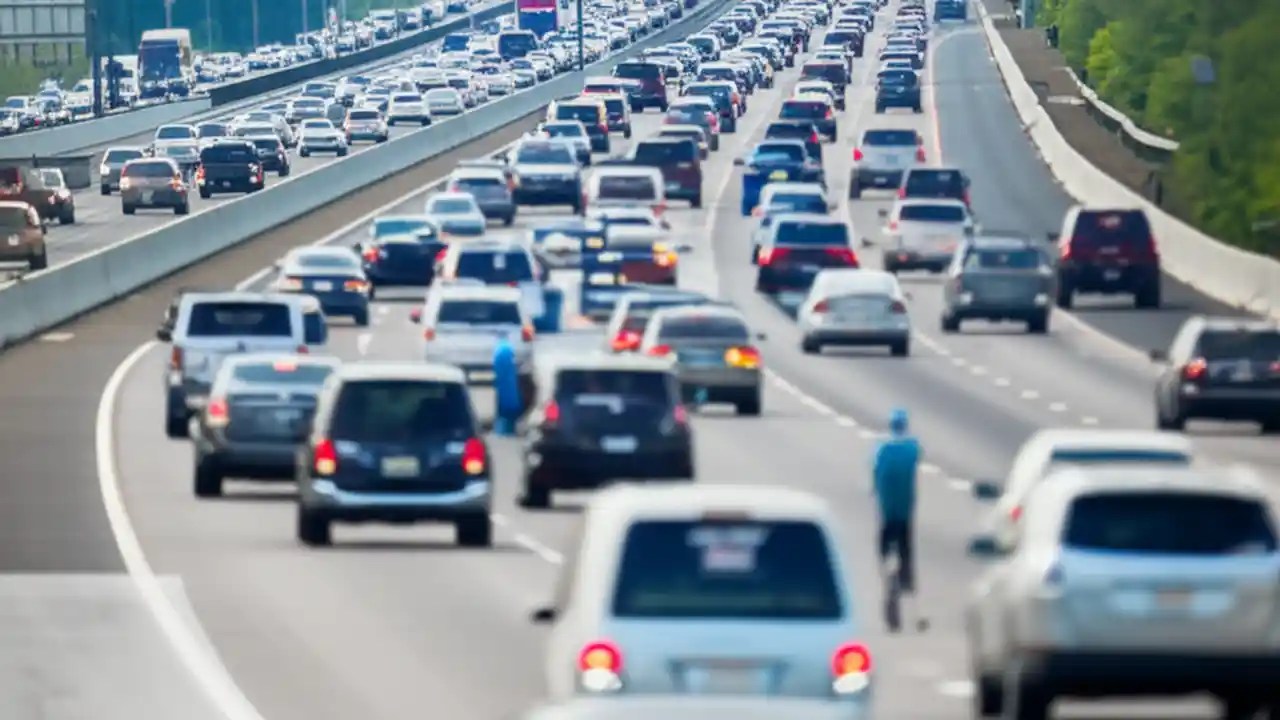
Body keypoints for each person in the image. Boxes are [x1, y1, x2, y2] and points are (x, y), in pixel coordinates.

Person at [871, 408, 928, 632]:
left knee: (884, 551)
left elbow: (874, 476)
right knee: (907, 555)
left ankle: (888, 581)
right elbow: (919, 456)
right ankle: (911, 600)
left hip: (886, 512)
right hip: (905, 512)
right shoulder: (912, 447)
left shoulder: (881, 448)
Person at [493, 336, 522, 436]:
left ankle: (503, 430)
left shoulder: (499, 358)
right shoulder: (509, 362)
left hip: (504, 400)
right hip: (511, 401)